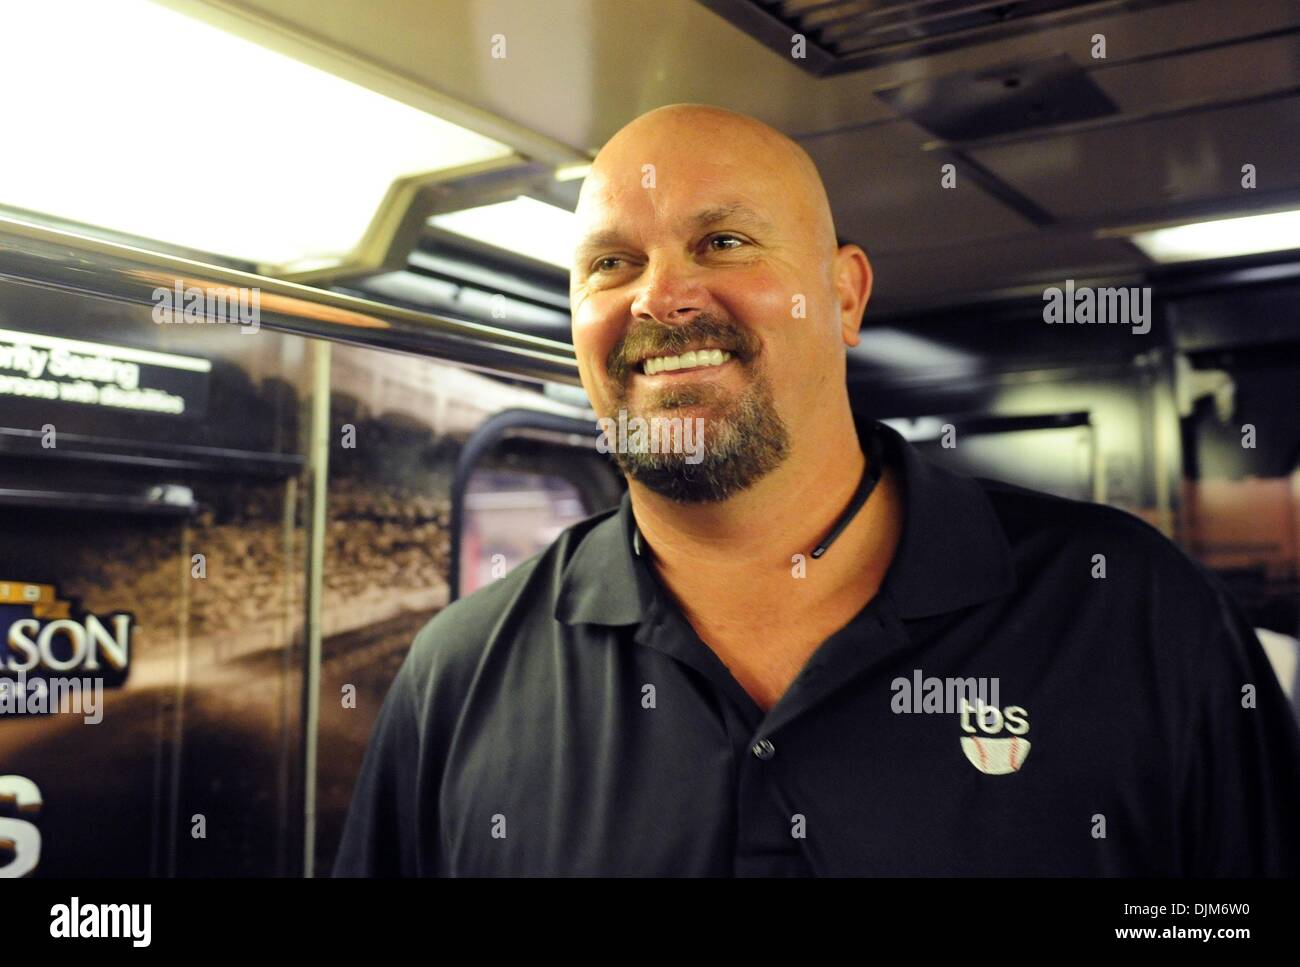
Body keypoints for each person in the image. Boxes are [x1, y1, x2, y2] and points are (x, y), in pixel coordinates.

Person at [333, 103, 1300, 876]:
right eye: (611, 263)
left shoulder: (1133, 615)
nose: (660, 297)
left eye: (722, 243)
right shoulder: (458, 678)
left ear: (844, 296)